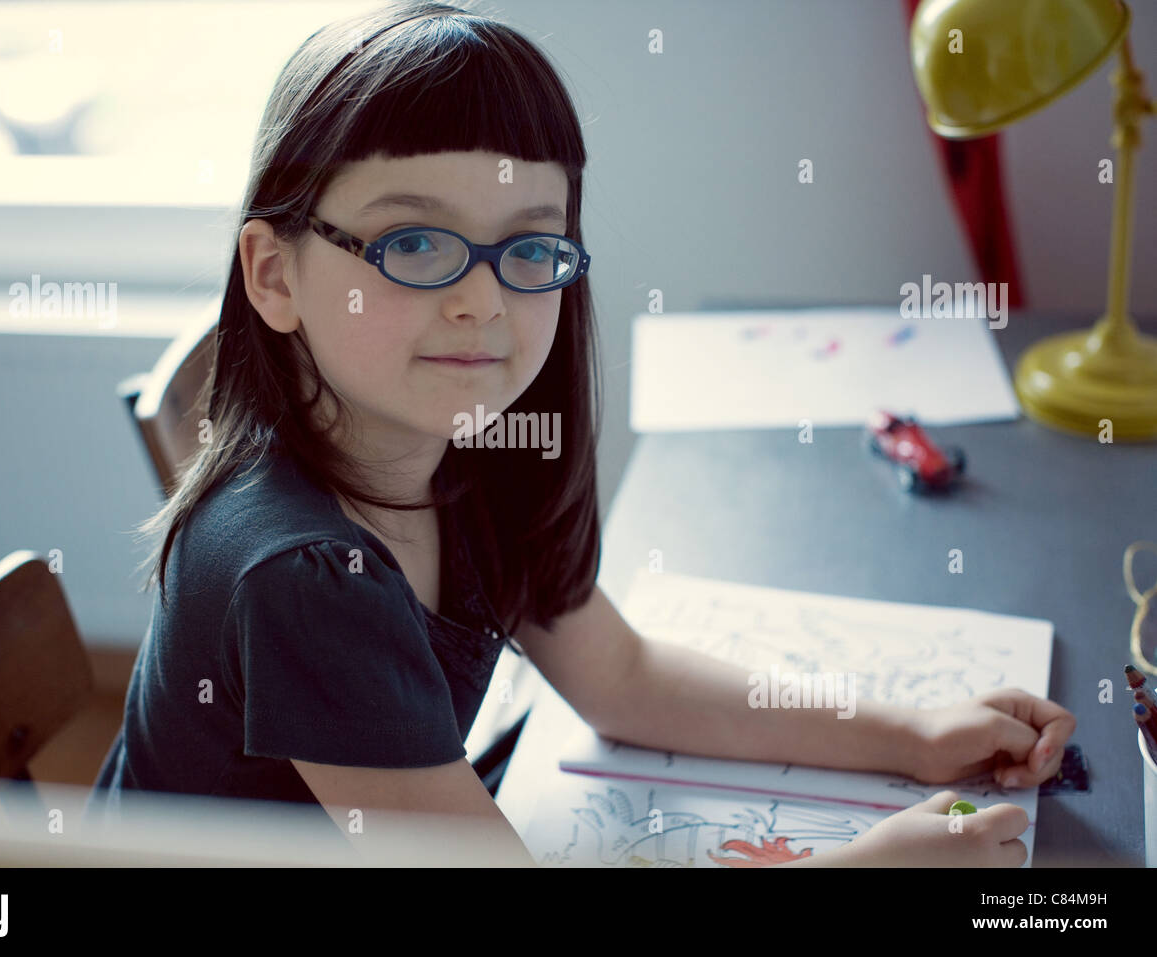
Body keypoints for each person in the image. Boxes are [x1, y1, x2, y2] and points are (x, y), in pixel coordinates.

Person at [86, 0, 1075, 868]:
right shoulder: (298, 576)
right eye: (415, 242)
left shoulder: (471, 451)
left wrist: (910, 731)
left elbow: (624, 678)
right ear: (272, 276)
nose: (482, 302)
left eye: (527, 245)